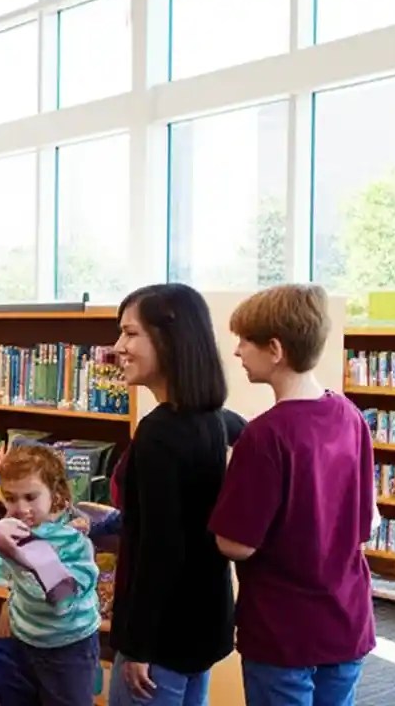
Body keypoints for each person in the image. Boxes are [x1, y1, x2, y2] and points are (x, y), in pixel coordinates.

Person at [209, 283, 376, 706]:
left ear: (276, 349)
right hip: (347, 621)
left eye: (245, 341)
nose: (237, 352)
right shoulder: (350, 415)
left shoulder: (264, 436)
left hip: (284, 632)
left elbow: (236, 544)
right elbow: (368, 521)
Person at [107, 283, 242, 706]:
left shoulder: (160, 433)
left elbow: (161, 548)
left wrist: (140, 646)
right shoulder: (218, 419)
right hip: (202, 623)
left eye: (130, 334)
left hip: (159, 638)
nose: (117, 347)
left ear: (169, 339)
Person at [0, 443, 102, 706]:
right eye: (10, 498)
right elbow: (0, 574)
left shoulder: (72, 540)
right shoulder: (9, 532)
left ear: (55, 494)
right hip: (26, 638)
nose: (20, 508)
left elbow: (64, 601)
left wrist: (34, 559)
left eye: (31, 497)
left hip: (69, 645)